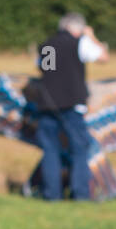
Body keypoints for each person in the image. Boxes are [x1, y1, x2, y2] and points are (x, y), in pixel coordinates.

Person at [22, 14, 109, 201]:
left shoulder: (49, 45)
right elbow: (103, 57)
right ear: (78, 28)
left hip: (48, 105)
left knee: (50, 150)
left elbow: (45, 70)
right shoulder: (80, 43)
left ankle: (52, 195)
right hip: (72, 106)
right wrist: (91, 36)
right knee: (79, 150)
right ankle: (81, 195)